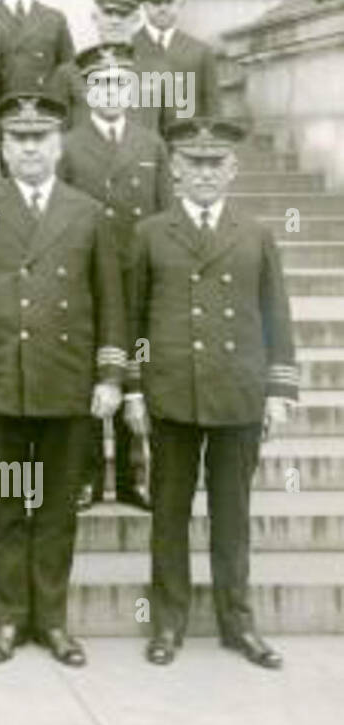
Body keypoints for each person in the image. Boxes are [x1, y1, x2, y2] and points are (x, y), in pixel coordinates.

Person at [0, 93, 126, 667]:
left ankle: (53, 621)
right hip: (2, 382)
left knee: (57, 509)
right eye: (19, 139)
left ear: (58, 143)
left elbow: (110, 300)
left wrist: (111, 375)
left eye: (40, 138)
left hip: (66, 384)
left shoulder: (87, 211)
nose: (30, 149)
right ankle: (10, 618)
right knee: (8, 507)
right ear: (3, 145)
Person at [125, 118, 297, 669]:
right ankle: (167, 624)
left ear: (232, 170)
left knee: (233, 514)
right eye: (193, 164)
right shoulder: (150, 233)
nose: (204, 174)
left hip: (238, 392)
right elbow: (134, 320)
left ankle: (237, 623)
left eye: (214, 164)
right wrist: (134, 387)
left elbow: (277, 316)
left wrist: (279, 391)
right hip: (173, 392)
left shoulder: (256, 233)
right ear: (174, 170)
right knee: (168, 514)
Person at [57, 42, 171, 511]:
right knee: (88, 368)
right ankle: (86, 476)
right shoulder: (65, 143)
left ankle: (134, 474)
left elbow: (166, 213)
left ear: (131, 88)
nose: (109, 91)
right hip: (85, 273)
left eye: (118, 82)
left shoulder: (151, 143)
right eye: (100, 83)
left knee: (137, 366)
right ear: (87, 90)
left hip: (137, 273)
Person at [47, 0, 144, 131]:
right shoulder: (68, 73)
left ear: (136, 19)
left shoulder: (157, 70)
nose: (115, 21)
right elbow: (57, 133)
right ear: (94, 16)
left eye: (123, 14)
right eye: (108, 13)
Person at [132, 0, 221, 132]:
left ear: (181, 2)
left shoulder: (200, 52)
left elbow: (212, 112)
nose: (163, 8)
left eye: (169, 0)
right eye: (155, 1)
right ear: (144, 5)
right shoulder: (128, 50)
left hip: (185, 148)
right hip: (141, 150)